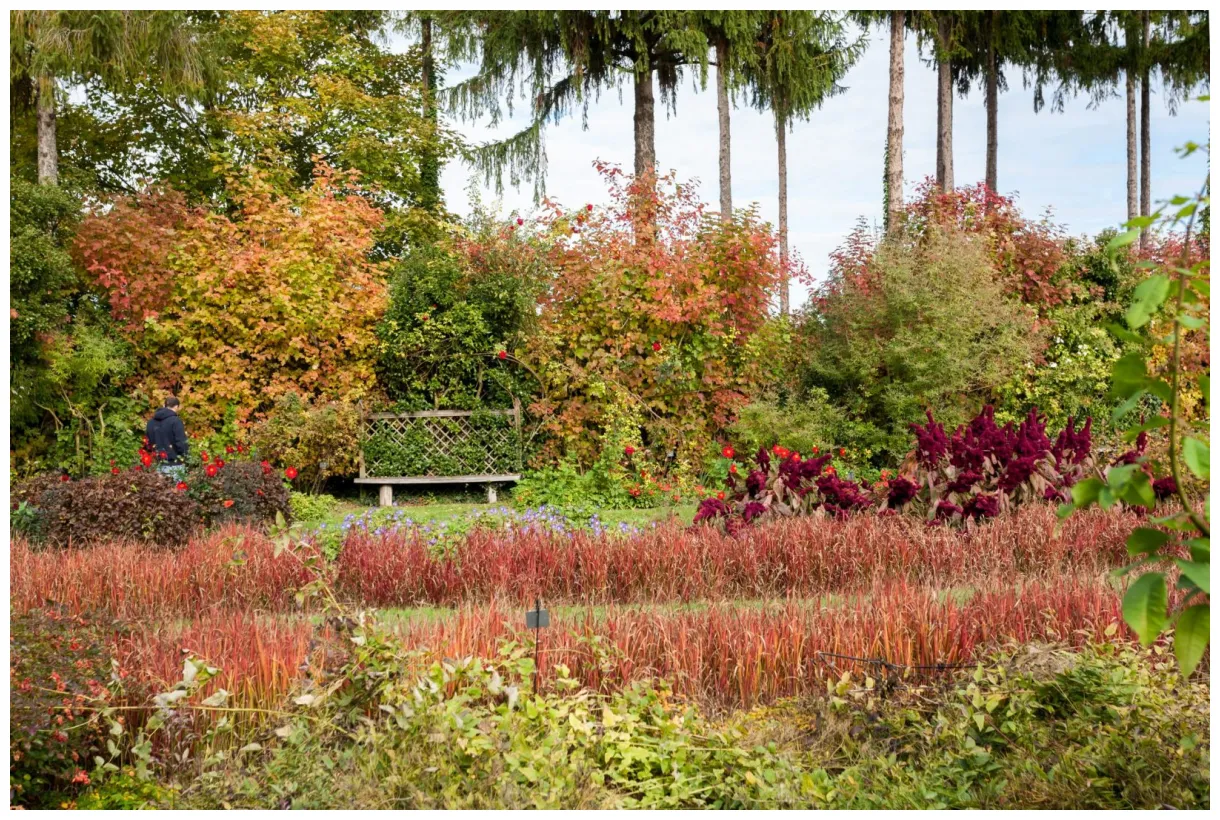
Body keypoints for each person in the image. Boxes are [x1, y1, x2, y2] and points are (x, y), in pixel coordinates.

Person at [146, 396, 189, 479]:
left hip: (157, 463)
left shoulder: (151, 422)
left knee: (159, 490)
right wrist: (185, 456)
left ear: (163, 405)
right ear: (176, 407)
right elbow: (181, 443)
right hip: (175, 463)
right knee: (177, 491)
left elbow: (148, 442)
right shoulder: (176, 421)